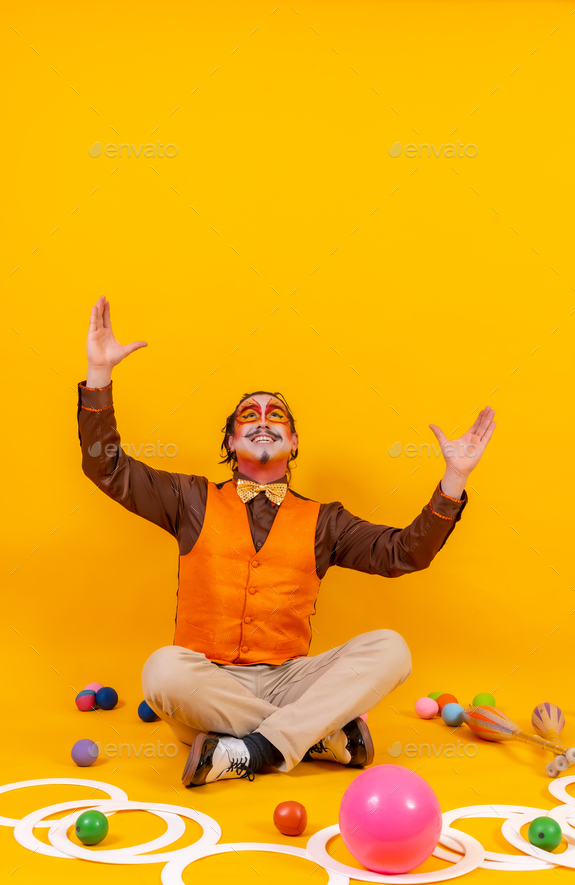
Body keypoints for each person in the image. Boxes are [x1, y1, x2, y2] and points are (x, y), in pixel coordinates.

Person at [78, 296, 496, 787]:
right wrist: (99, 374)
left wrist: (452, 481)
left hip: (292, 681)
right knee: (162, 672)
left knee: (392, 648)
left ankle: (251, 750)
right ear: (232, 442)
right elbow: (107, 468)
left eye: (275, 415)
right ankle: (316, 736)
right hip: (208, 684)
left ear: (293, 442)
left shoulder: (325, 522)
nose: (261, 419)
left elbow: (404, 553)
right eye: (247, 415)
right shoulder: (188, 498)